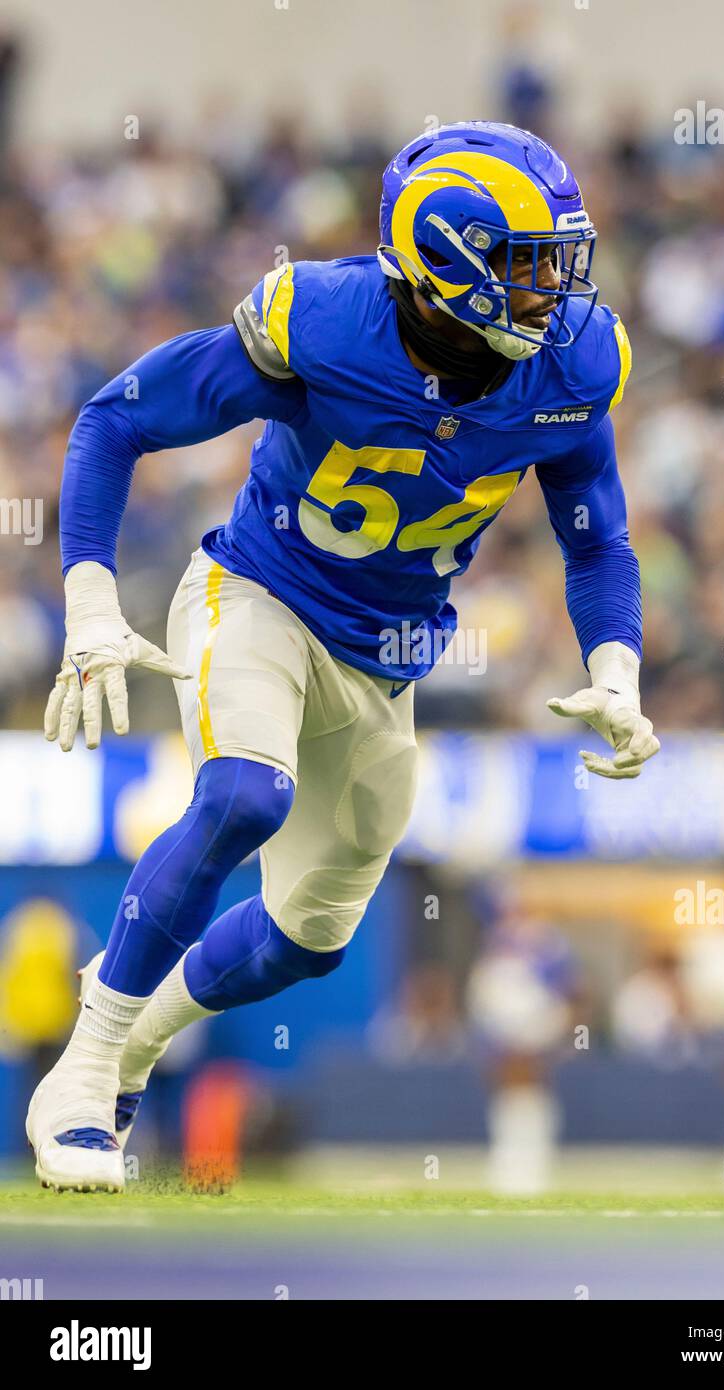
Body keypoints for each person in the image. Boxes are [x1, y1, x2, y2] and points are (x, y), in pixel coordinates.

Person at [28, 121, 659, 1191]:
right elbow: (115, 419)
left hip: (384, 658)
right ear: (445, 263)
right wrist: (88, 596)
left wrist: (617, 664)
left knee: (309, 938)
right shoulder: (321, 323)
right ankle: (82, 1073)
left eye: (558, 259)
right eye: (525, 262)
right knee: (243, 797)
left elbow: (595, 530)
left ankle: (138, 1036)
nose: (553, 288)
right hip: (260, 595)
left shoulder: (571, 364)